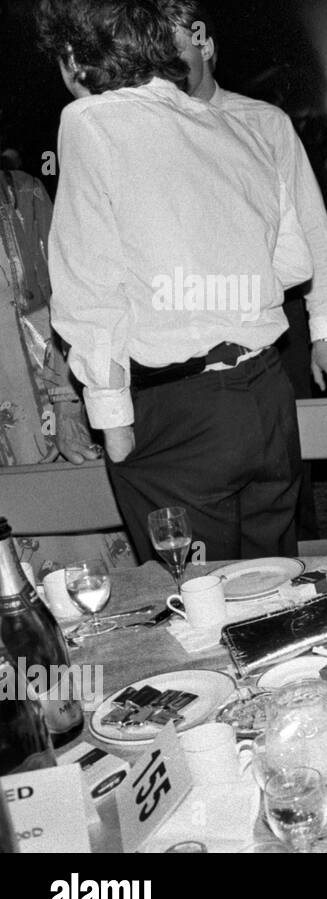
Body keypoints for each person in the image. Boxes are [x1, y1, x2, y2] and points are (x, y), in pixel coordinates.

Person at [39, 0, 312, 561]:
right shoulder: (236, 125)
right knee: (272, 595)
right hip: (267, 397)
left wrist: (113, 422)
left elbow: (91, 292)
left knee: (198, 611)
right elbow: (292, 265)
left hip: (180, 413)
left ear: (73, 58)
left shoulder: (88, 122)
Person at [160, 0, 327, 543]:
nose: (169, 60)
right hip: (179, 354)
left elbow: (314, 231)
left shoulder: (263, 122)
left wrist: (325, 332)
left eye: (179, 45)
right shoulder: (143, 128)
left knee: (282, 492)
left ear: (207, 47)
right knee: (200, 527)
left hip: (267, 334)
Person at [1, 135, 136, 577]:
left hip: (29, 403)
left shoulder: (21, 196)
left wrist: (66, 402)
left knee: (64, 527)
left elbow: (66, 305)